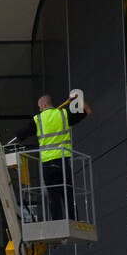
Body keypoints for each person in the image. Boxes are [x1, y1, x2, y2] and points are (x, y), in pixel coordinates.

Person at [31, 92, 90, 221]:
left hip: (47, 164)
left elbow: (21, 134)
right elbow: (87, 111)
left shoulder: (38, 120)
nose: (39, 109)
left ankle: (57, 221)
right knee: (68, 194)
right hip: (63, 162)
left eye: (39, 107)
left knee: (53, 196)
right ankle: (73, 219)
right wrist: (79, 99)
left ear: (44, 105)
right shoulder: (63, 115)